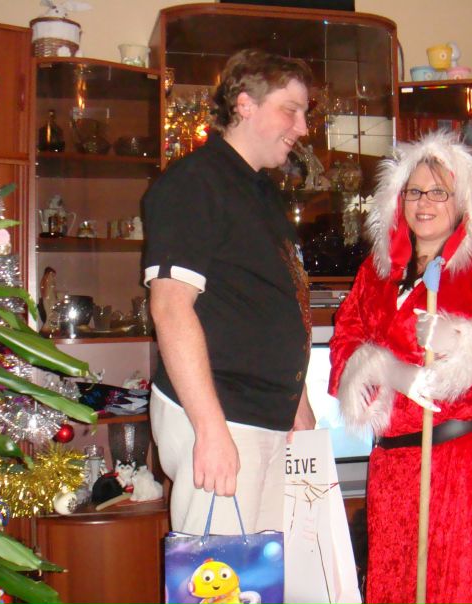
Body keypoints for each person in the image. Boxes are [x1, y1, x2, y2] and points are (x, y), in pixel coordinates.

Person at [329, 130, 472, 603]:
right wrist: (384, 370)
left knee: (465, 588)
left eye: (439, 192)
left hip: (466, 468)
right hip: (395, 469)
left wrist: (463, 348)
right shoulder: (375, 274)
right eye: (414, 191)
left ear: (463, 203)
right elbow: (344, 344)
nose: (424, 203)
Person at [143, 49, 316, 535]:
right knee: (218, 571)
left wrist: (297, 402)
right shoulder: (194, 183)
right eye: (291, 110)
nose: (303, 127)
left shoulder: (262, 192)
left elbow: (276, 304)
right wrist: (210, 429)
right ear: (245, 104)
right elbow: (170, 308)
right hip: (222, 415)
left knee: (263, 571)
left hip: (265, 416)